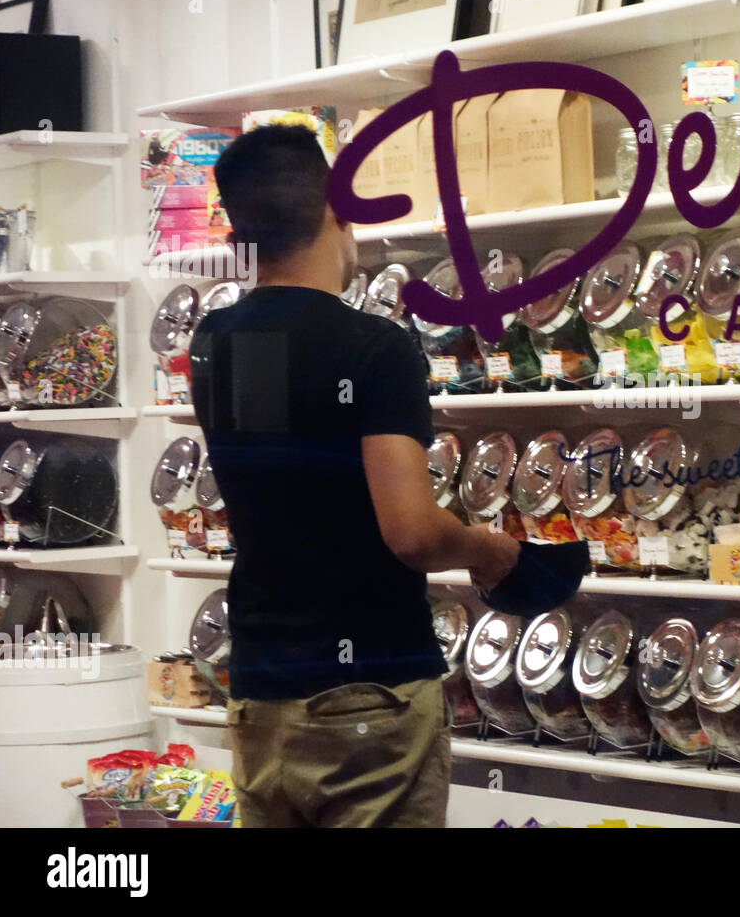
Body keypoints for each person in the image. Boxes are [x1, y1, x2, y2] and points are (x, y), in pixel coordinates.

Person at [189, 124, 520, 827]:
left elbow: (286, 482)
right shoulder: (375, 348)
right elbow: (412, 534)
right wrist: (488, 550)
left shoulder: (216, 343)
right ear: (338, 212)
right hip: (368, 694)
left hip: (261, 688)